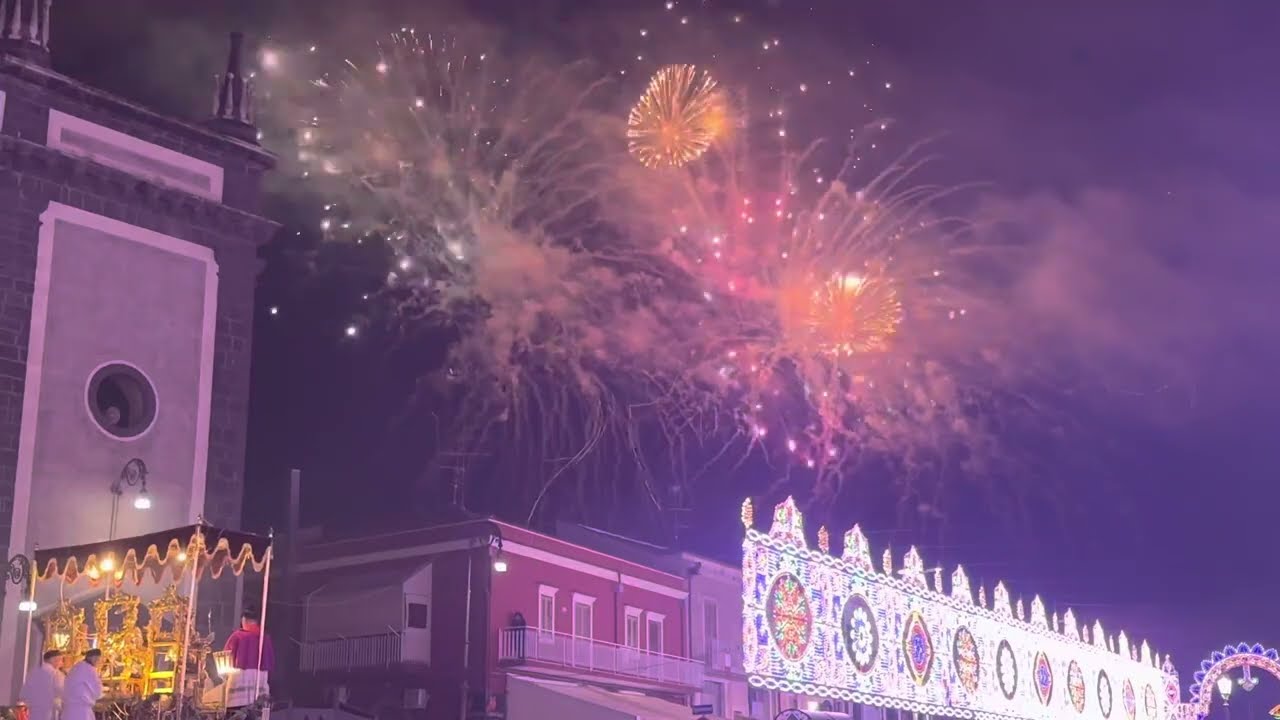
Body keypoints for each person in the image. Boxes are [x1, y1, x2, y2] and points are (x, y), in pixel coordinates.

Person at [224, 607, 274, 711]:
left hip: (239, 685)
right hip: (260, 683)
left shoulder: (237, 636)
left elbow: (225, 657)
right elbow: (270, 661)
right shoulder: (265, 638)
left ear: (244, 620)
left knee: (237, 714)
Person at [19, 650, 65, 720]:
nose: (61, 663)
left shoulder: (34, 671)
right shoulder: (56, 674)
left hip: (32, 707)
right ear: (54, 660)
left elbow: (25, 691)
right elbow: (61, 690)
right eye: (61, 660)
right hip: (47, 708)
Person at [60, 649, 102, 720]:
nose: (98, 662)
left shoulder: (77, 666)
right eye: (98, 660)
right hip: (80, 711)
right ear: (94, 658)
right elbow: (98, 691)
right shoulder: (89, 669)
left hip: (68, 710)